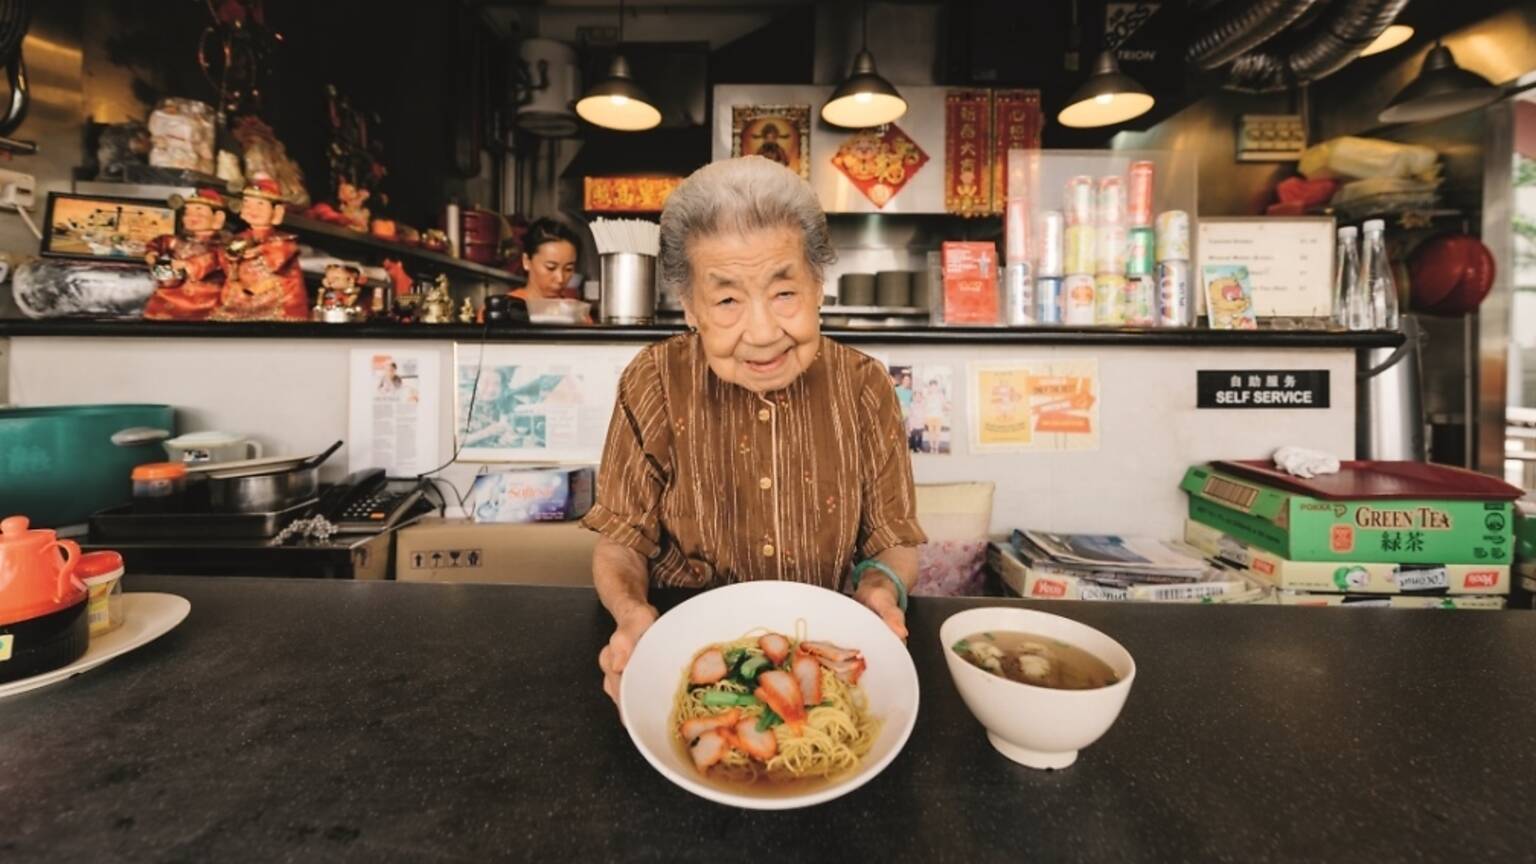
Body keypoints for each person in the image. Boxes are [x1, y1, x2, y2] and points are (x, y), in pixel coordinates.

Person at [584, 156, 926, 705]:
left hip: (826, 660)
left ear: (818, 286)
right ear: (690, 307)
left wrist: (881, 589)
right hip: (686, 657)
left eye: (784, 292)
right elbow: (621, 541)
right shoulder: (653, 381)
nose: (764, 333)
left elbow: (894, 537)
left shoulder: (865, 386)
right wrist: (632, 615)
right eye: (726, 300)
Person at [142, 187, 229, 321]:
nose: (191, 217)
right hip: (173, 289)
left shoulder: (221, 244)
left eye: (199, 212)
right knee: (160, 301)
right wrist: (152, 252)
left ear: (217, 217)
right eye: (187, 213)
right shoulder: (179, 240)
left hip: (206, 293)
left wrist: (188, 265)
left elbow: (215, 258)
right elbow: (161, 241)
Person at [513, 218, 580, 301]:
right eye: (551, 268)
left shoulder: (573, 311)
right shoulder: (507, 309)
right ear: (526, 261)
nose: (560, 279)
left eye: (568, 269)